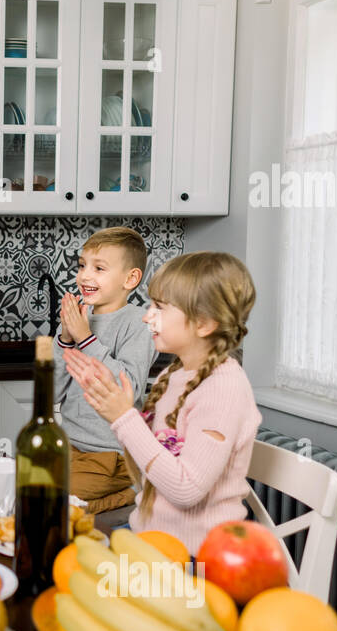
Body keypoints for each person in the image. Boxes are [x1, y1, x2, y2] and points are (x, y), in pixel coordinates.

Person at [63, 252, 260, 555]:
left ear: (204, 323)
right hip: (148, 537)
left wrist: (124, 419)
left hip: (194, 557)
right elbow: (148, 473)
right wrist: (122, 413)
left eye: (159, 307)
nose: (146, 316)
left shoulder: (224, 389)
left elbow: (186, 490)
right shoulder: (176, 373)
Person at [52, 227, 156, 514]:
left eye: (99, 268)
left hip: (112, 455)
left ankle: (130, 488)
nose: (85, 276)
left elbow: (128, 388)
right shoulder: (81, 321)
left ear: (130, 279)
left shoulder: (139, 323)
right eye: (82, 265)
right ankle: (125, 492)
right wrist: (66, 339)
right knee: (23, 485)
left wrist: (85, 339)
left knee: (54, 499)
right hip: (70, 447)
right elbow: (52, 391)